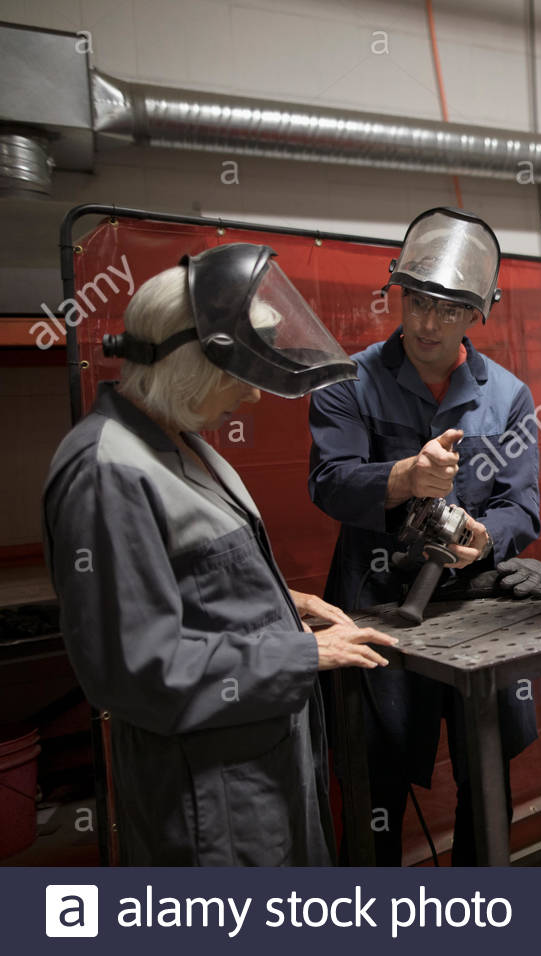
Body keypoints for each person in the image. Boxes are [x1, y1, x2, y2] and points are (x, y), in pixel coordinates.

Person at [43, 245, 397, 866]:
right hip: (210, 800)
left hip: (256, 769)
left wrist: (286, 603)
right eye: (241, 377)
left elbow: (189, 587)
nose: (255, 399)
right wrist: (299, 652)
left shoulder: (180, 444)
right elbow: (136, 668)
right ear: (188, 366)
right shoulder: (109, 472)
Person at [308, 208, 540, 865]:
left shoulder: (510, 397)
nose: (427, 324)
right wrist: (406, 476)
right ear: (399, 296)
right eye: (416, 303)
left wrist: (484, 533)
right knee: (372, 783)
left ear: (477, 314)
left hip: (476, 613)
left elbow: (521, 504)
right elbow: (329, 483)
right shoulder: (346, 383)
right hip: (374, 611)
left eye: (448, 310)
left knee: (487, 779)